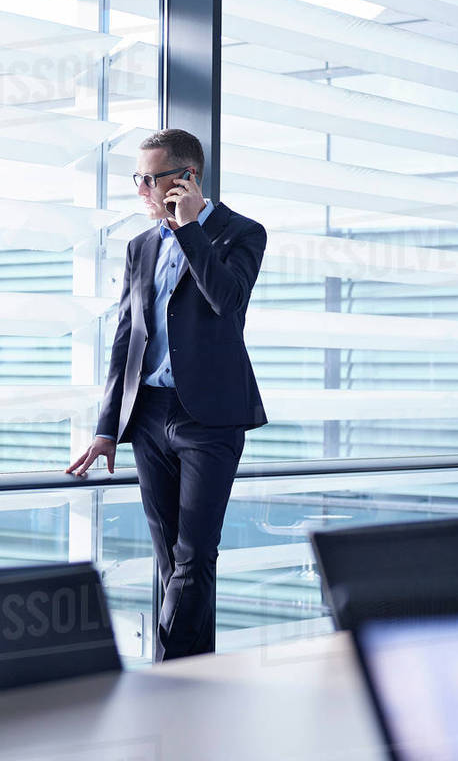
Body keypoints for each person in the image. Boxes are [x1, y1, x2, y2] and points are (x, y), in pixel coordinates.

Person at [66, 128, 267, 662]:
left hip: (210, 418)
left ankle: (163, 676)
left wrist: (190, 229)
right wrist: (108, 427)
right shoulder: (140, 246)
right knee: (168, 559)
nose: (141, 192)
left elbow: (228, 302)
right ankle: (192, 682)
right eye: (139, 179)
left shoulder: (242, 232)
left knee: (195, 557)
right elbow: (128, 337)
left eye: (150, 180)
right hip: (150, 415)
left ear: (185, 179)